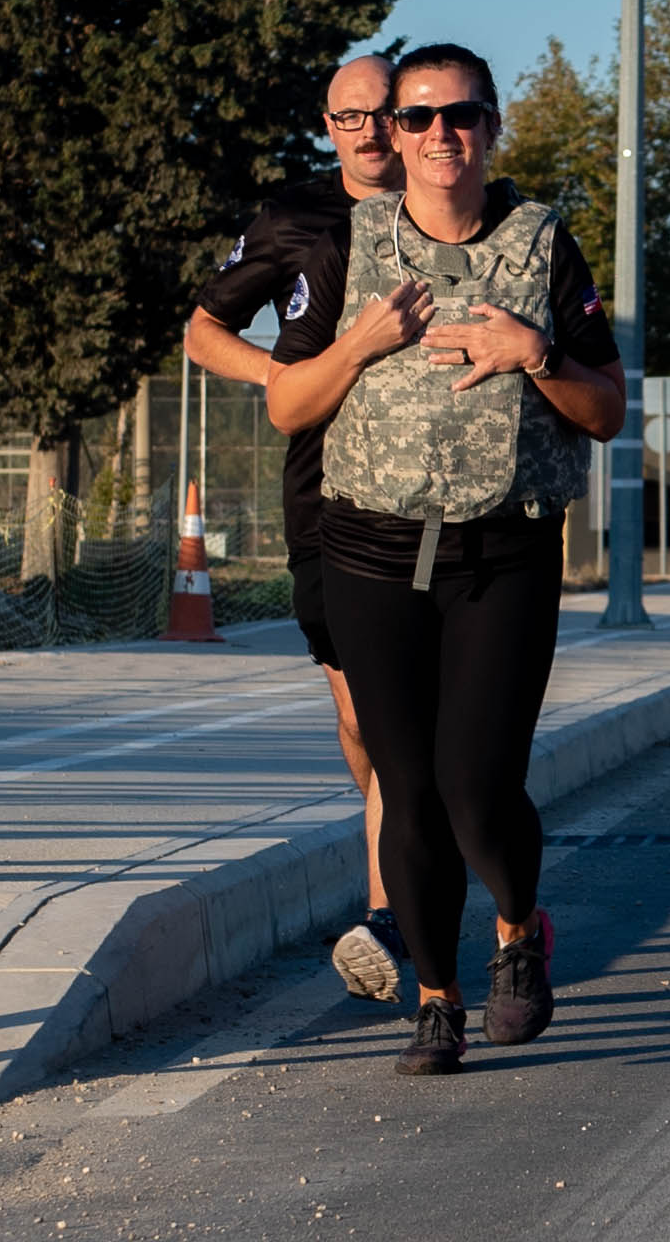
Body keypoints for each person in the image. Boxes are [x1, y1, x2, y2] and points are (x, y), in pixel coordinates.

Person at [264, 43, 624, 1075]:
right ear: (393, 132)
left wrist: (535, 354)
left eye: (460, 115)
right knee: (409, 789)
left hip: (503, 552)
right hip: (368, 552)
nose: (438, 135)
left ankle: (517, 930)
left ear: (491, 127)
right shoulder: (349, 246)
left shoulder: (542, 243)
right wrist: (359, 343)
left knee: (477, 784)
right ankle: (435, 997)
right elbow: (288, 405)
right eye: (417, 117)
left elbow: (606, 409)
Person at [187, 53, 410, 1007]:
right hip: (322, 495)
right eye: (348, 117)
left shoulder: (455, 209)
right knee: (361, 719)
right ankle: (405, 855)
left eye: (384, 113)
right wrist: (279, 377)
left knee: (401, 720)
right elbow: (203, 331)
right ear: (329, 127)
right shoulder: (293, 220)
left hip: (431, 501)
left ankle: (391, 914)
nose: (368, 132)